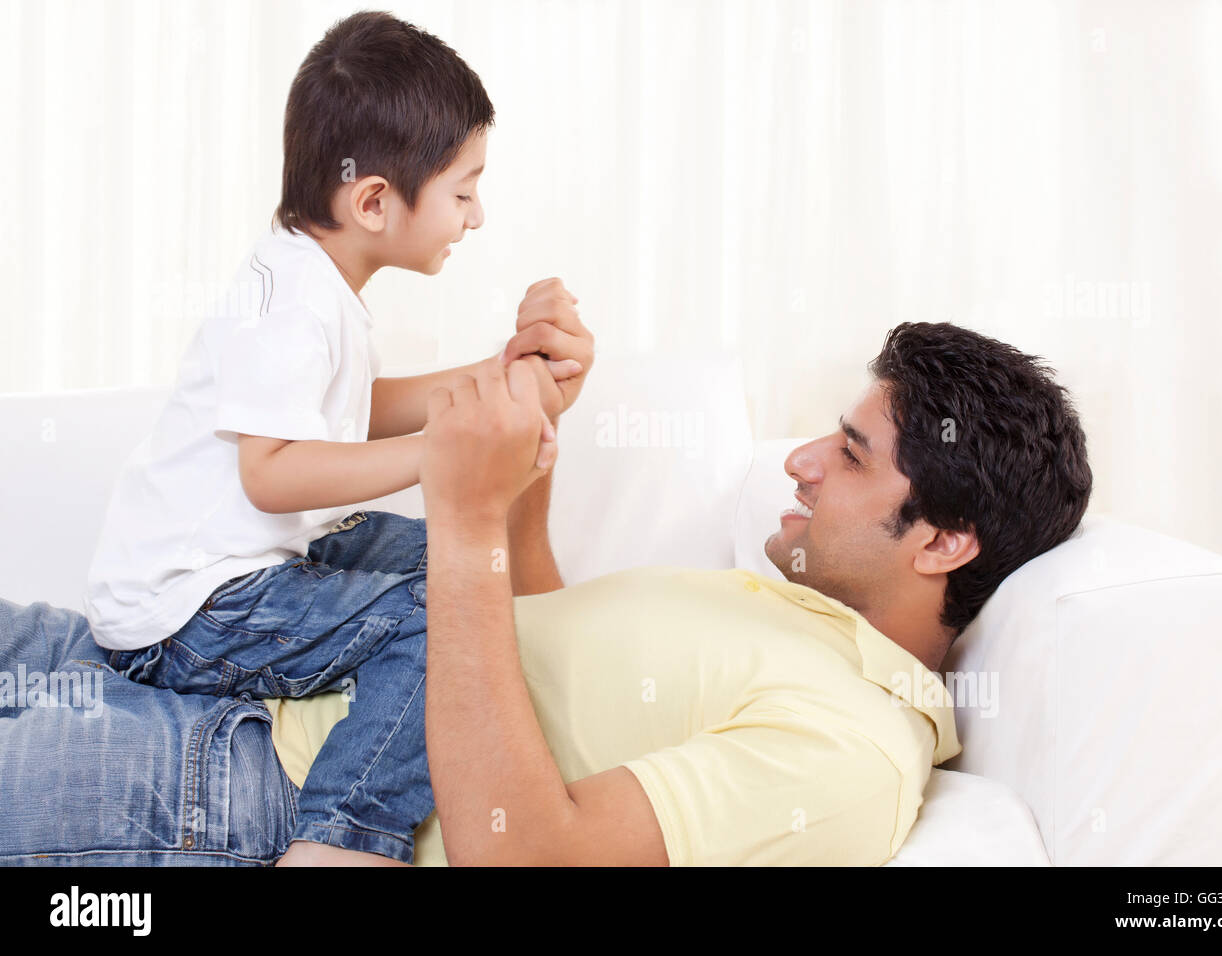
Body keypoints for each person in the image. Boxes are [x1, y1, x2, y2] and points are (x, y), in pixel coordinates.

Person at [5, 322, 1089, 866]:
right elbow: (523, 651)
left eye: (851, 454)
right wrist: (523, 487)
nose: (803, 457)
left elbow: (525, 845)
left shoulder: (852, 753)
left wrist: (464, 518)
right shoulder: (795, 612)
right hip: (216, 650)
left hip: (238, 781)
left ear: (943, 542)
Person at [78, 10, 593, 866]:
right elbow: (271, 476)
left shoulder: (313, 278)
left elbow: (354, 411)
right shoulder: (291, 304)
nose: (476, 216)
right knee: (441, 614)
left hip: (247, 569)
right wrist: (445, 458)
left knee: (458, 561)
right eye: (463, 192)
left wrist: (493, 376)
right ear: (374, 201)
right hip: (188, 607)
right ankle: (344, 837)